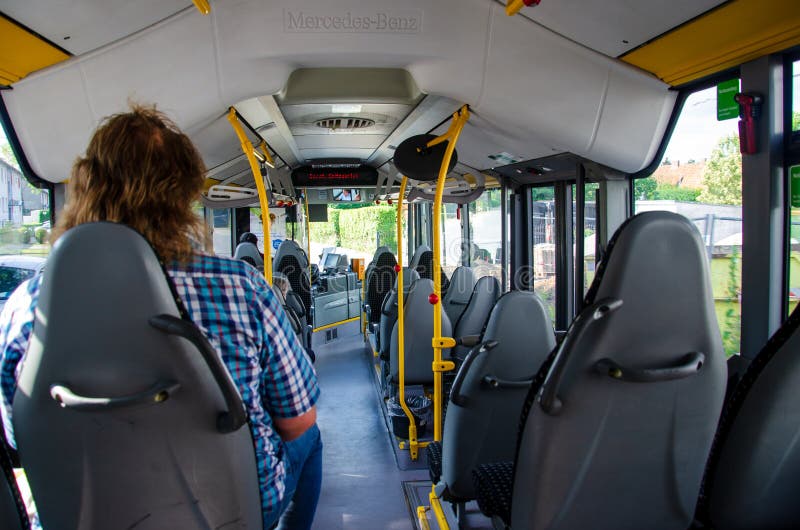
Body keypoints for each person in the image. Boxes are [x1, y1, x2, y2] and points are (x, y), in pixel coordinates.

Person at [0, 105, 322, 530]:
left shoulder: (28, 306)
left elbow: (17, 434)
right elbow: (297, 420)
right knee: (310, 442)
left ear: (85, 187)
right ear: (184, 198)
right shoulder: (242, 289)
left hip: (81, 515)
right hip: (234, 511)